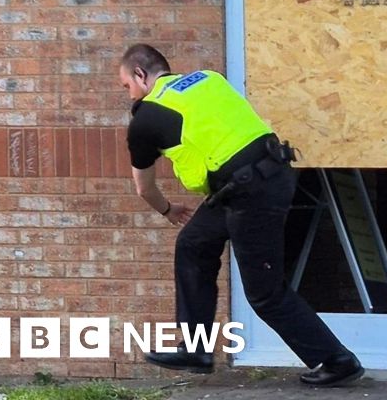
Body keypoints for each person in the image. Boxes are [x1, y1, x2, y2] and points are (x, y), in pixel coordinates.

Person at [118, 43, 364, 387]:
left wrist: (167, 209)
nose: (129, 95)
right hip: (257, 177)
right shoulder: (207, 79)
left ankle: (337, 360)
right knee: (193, 243)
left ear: (141, 75)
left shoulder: (146, 118)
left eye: (127, 85)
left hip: (250, 191)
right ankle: (195, 350)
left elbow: (144, 187)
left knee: (265, 293)